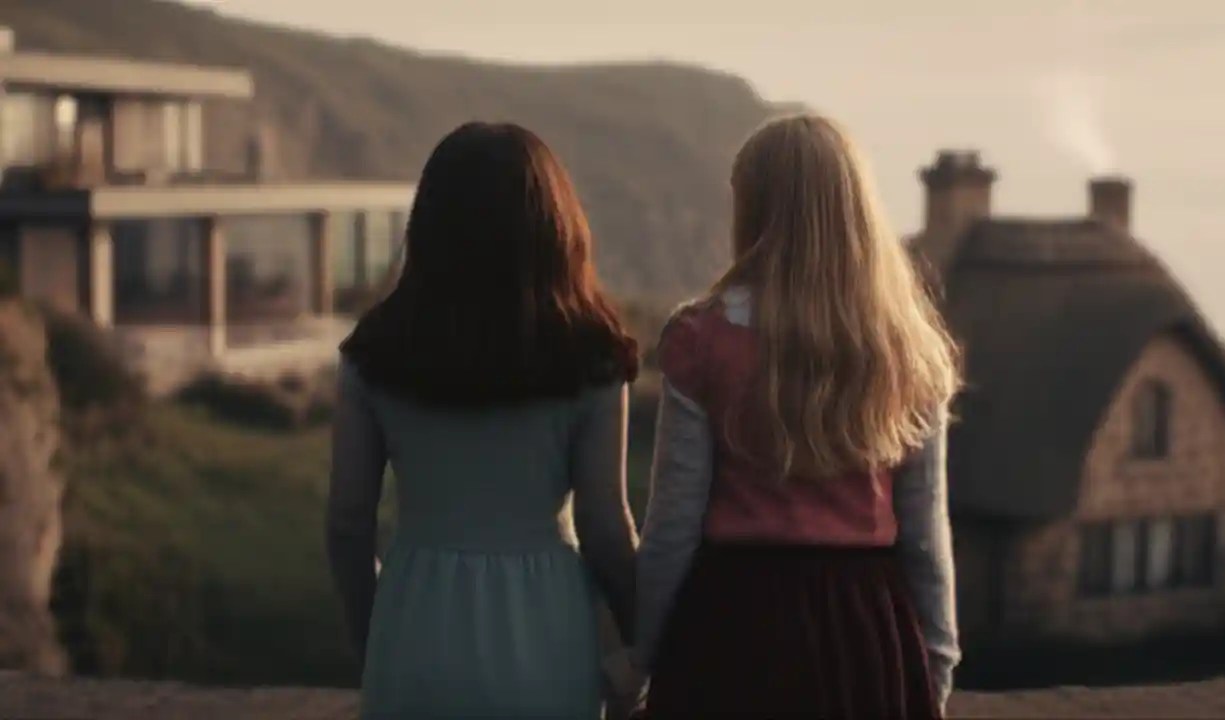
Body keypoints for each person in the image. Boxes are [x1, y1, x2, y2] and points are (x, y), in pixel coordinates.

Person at [634, 114, 961, 719]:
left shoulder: (700, 337)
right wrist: (934, 666)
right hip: (868, 629)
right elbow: (924, 533)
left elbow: (673, 524)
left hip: (731, 625)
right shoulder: (909, 348)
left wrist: (641, 657)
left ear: (753, 211)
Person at [327, 122, 640, 719]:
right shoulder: (592, 358)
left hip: (414, 624)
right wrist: (640, 638)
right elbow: (606, 527)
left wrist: (373, 635)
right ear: (555, 228)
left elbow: (347, 521)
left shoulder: (374, 353)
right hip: (546, 631)